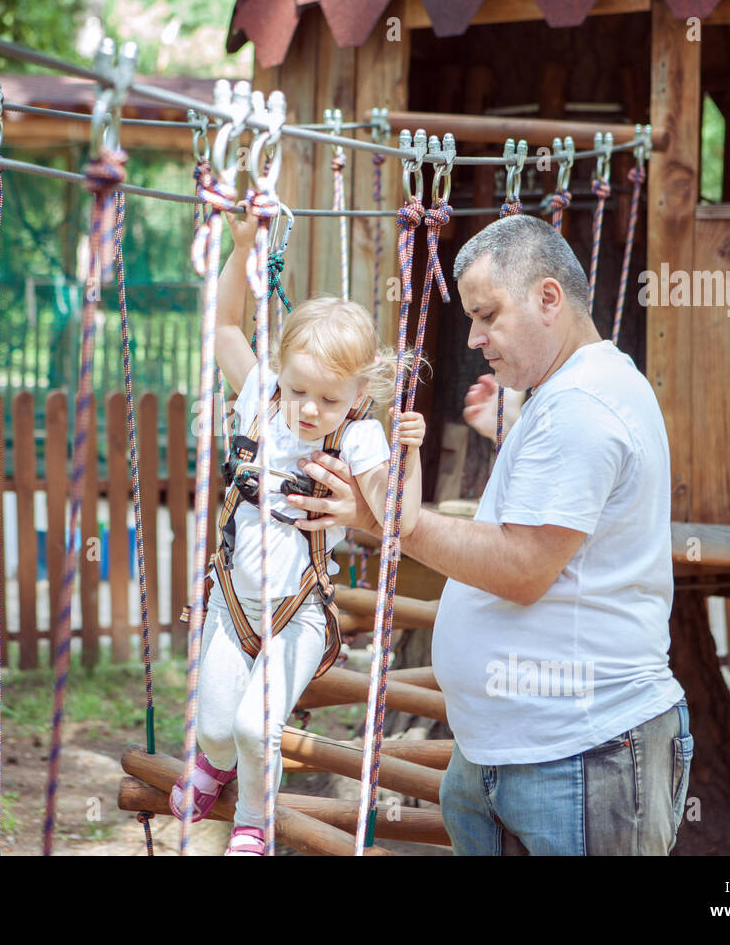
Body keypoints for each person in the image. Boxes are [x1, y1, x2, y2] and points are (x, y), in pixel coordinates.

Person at [283, 213, 693, 855]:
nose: (472, 336)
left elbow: (522, 569)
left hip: (581, 754)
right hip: (523, 748)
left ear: (548, 298)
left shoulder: (582, 405)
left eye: (486, 314)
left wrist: (389, 521)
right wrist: (507, 430)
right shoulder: (564, 393)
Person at [169, 210, 426, 856]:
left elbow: (399, 520)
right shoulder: (261, 396)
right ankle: (214, 765)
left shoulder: (360, 436)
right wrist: (242, 247)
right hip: (233, 604)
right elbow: (226, 325)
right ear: (279, 371)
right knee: (218, 725)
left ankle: (254, 815)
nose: (309, 409)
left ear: (359, 396)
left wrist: (410, 453)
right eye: (298, 389)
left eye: (330, 399)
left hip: (298, 613)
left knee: (258, 730)